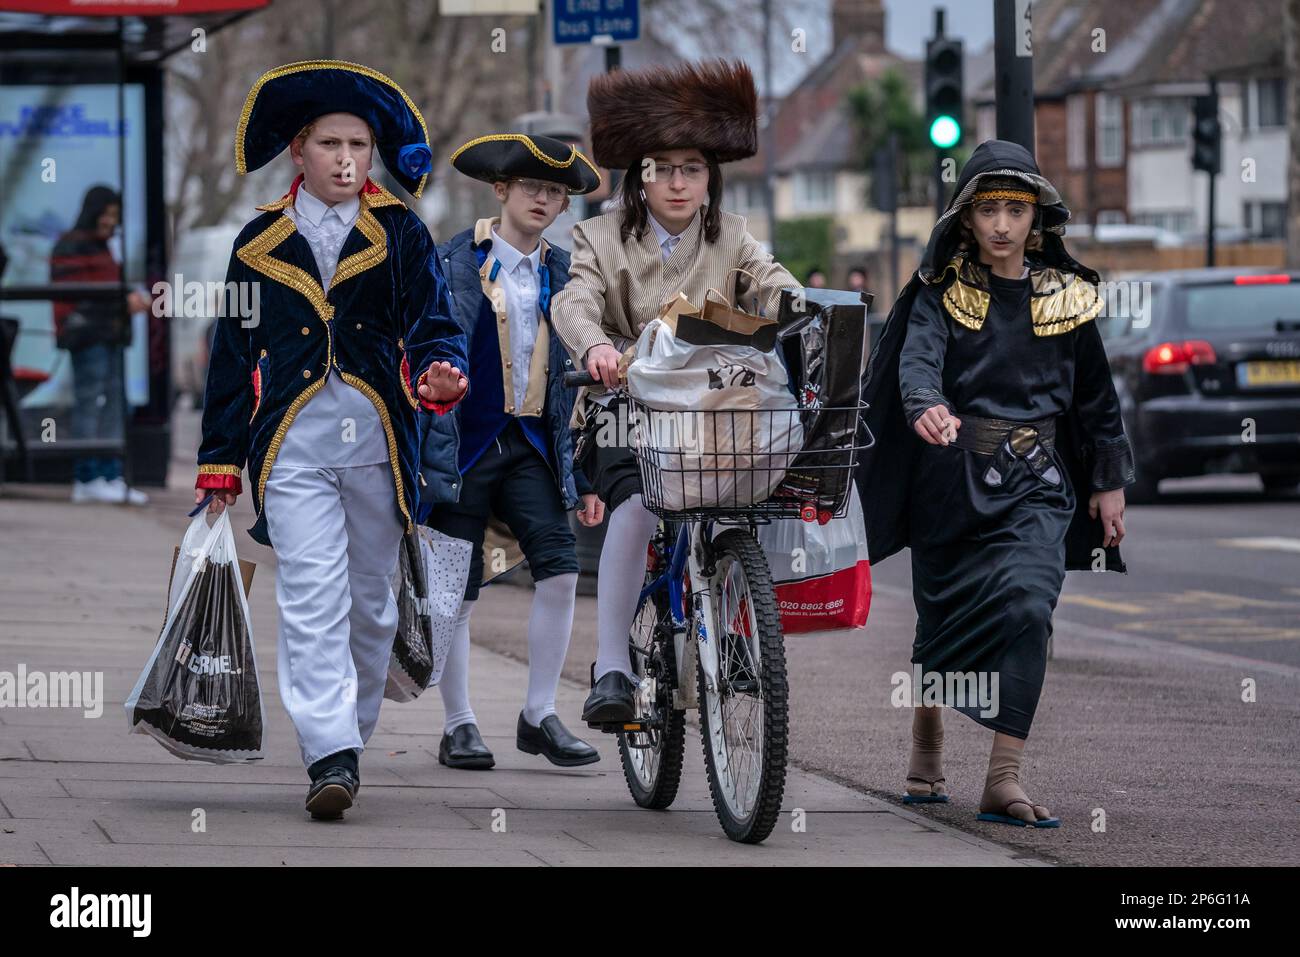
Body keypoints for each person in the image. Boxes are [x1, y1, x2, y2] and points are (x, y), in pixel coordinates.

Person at [194, 61, 468, 820]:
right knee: (312, 599)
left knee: (373, 608)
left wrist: (444, 368)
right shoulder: (256, 240)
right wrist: (218, 462)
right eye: (331, 143)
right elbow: (229, 357)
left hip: (380, 447)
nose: (347, 158)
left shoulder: (403, 231)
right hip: (291, 451)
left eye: (360, 144)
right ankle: (331, 753)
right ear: (299, 152)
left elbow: (435, 322)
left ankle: (347, 734)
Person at [856, 139, 1135, 828]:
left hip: (1038, 482)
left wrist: (1109, 480)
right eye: (990, 209)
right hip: (950, 478)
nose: (1003, 223)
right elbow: (915, 364)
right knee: (942, 616)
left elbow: (1097, 398)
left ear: (1036, 216)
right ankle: (926, 741)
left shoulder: (1067, 298)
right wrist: (925, 405)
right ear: (968, 218)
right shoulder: (939, 293)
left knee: (1029, 607)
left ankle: (1002, 776)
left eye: (1016, 208)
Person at [550, 59, 798, 723]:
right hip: (623, 407)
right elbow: (574, 300)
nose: (679, 181)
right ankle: (610, 665)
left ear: (710, 175)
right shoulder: (597, 236)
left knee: (743, 490)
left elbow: (774, 283)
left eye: (693, 166)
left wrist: (799, 308)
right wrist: (596, 347)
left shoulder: (735, 235)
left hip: (713, 410)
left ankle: (739, 620)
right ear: (642, 176)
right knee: (635, 503)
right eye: (664, 167)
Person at [419, 131, 604, 769]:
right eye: (532, 187)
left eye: (554, 191)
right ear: (502, 189)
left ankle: (539, 714)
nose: (543, 199)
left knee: (560, 570)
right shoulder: (450, 262)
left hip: (531, 446)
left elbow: (570, 384)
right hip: (463, 444)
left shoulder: (566, 272)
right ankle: (459, 724)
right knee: (457, 591)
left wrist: (579, 477)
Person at [50, 185, 151, 505]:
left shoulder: (102, 246)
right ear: (94, 212)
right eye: (106, 213)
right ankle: (88, 476)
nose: (111, 220)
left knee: (113, 405)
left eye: (115, 215)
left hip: (108, 336)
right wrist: (123, 301)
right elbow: (80, 294)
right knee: (91, 404)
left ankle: (108, 475)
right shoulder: (75, 244)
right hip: (90, 338)